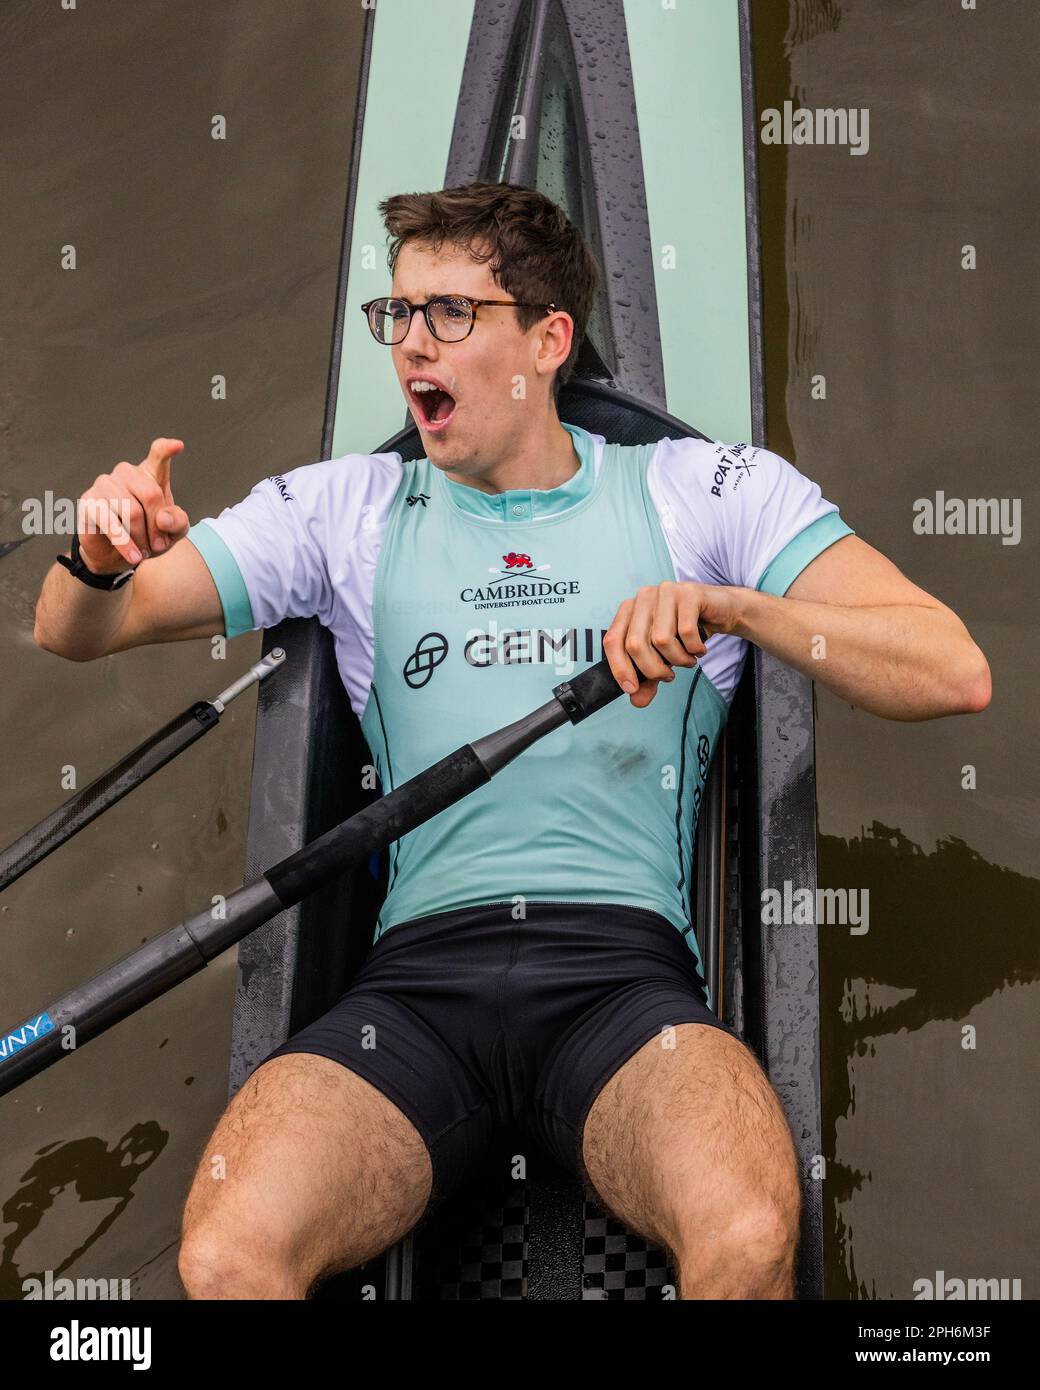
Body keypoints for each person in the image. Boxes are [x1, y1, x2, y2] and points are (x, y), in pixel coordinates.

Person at [33, 182, 991, 1300]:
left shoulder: (703, 494)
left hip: (622, 994)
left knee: (741, 1234)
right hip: (414, 1000)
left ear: (546, 342)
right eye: (396, 316)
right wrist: (98, 553)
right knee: (226, 1253)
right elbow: (77, 633)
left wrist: (734, 610)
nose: (408, 348)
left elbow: (948, 666)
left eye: (448, 315)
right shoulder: (344, 510)